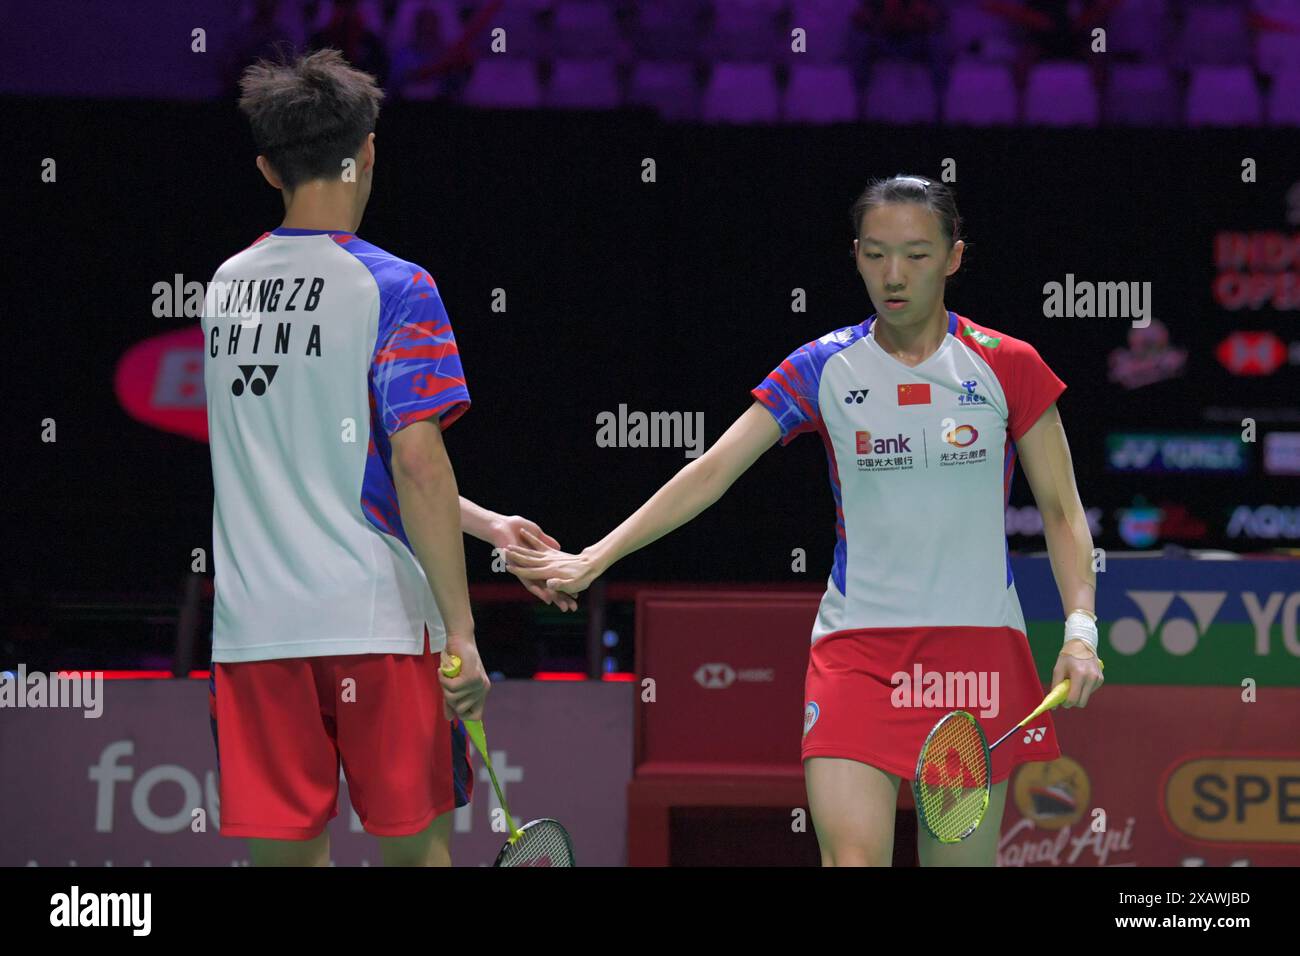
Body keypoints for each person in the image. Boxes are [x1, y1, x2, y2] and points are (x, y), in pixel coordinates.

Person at [506, 175, 1104, 866]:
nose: (894, 274)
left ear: (954, 257)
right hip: (858, 653)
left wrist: (1080, 631)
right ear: (855, 255)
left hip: (975, 655)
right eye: (876, 254)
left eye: (915, 254)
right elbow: (711, 471)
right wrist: (593, 557)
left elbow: (1061, 513)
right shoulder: (822, 366)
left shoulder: (1010, 366)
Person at [204, 49, 573, 868]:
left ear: (267, 168)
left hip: (256, 630)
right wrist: (465, 636)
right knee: (415, 857)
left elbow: (320, 457)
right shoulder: (399, 288)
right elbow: (414, 464)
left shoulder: (224, 288)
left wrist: (486, 526)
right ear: (368, 149)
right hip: (376, 624)